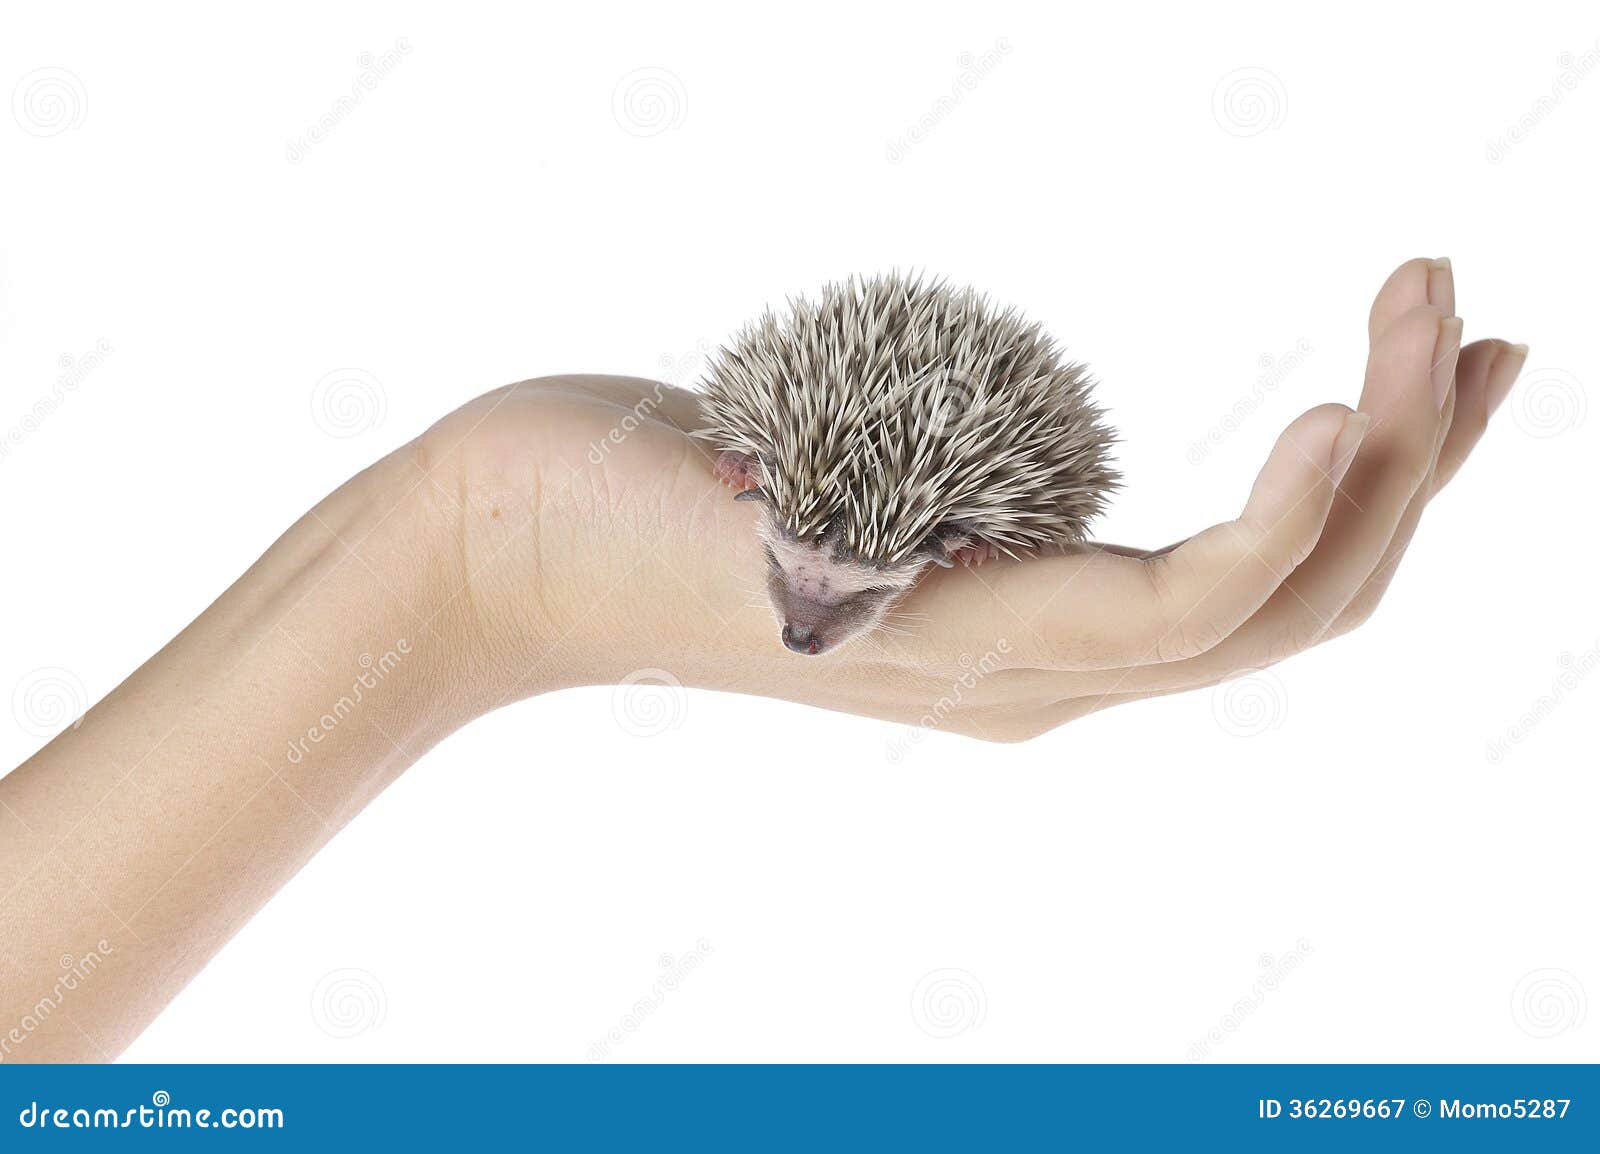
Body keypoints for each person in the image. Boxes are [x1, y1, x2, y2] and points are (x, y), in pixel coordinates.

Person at [0, 258, 1525, 1061]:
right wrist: (473, 568)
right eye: (796, 588)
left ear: (956, 552)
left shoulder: (930, 511)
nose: (800, 624)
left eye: (835, 599)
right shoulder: (799, 504)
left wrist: (465, 548)